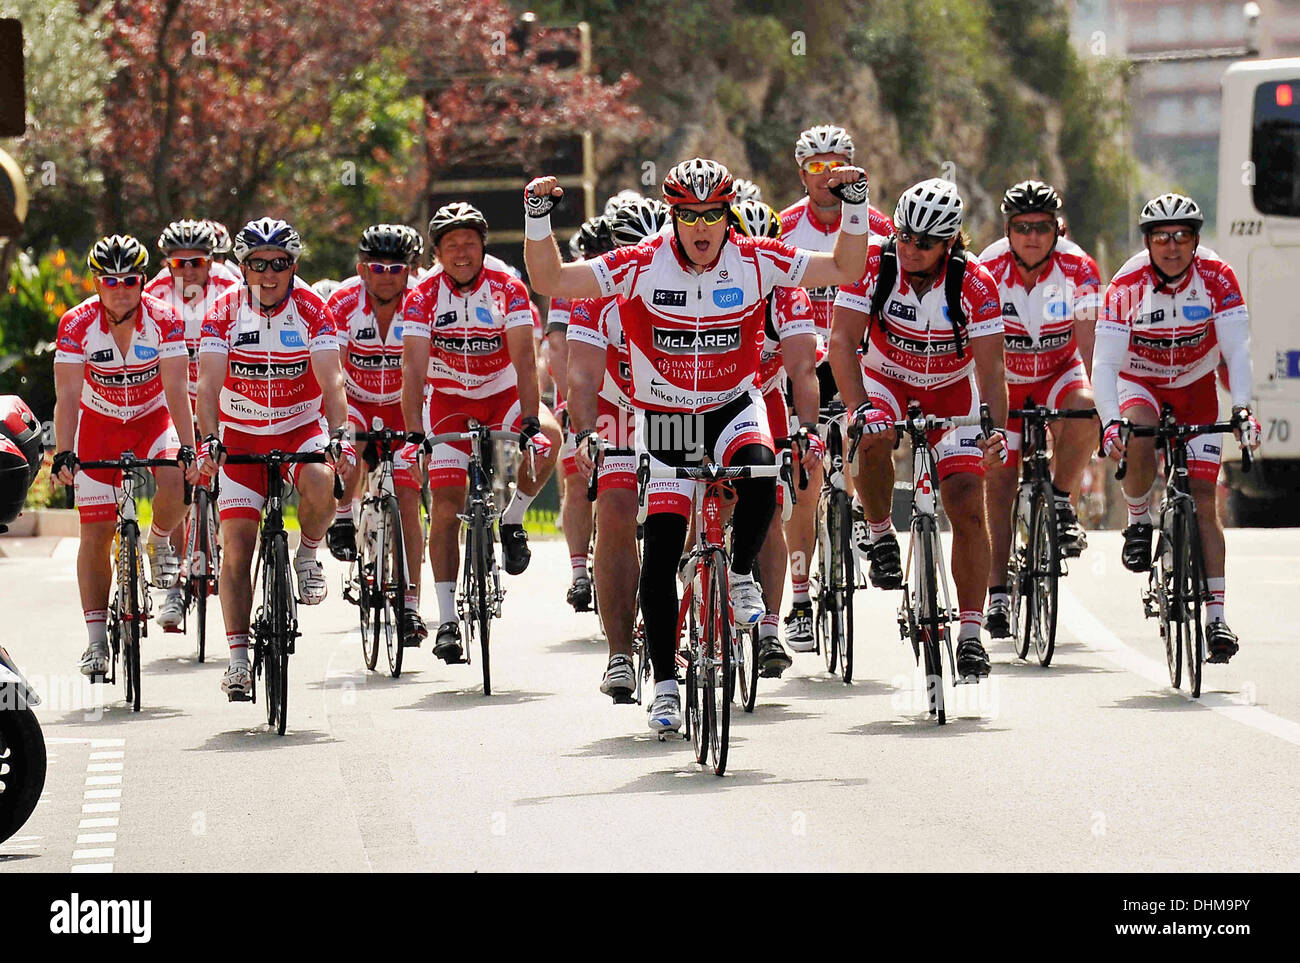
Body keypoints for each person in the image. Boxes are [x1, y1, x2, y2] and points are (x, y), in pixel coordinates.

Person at [525, 156, 869, 733]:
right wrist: (538, 219)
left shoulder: (758, 258)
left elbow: (844, 265)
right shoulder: (639, 263)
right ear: (673, 215)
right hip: (668, 416)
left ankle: (738, 577)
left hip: (733, 406)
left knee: (762, 475)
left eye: (713, 215)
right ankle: (663, 685)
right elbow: (554, 281)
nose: (703, 228)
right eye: (690, 216)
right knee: (659, 554)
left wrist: (855, 203)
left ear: (727, 215)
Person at [829, 178, 1007, 681]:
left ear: (950, 243)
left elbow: (992, 371)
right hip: (885, 379)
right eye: (905, 236)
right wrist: (860, 407)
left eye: (924, 243)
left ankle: (970, 636)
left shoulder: (975, 284)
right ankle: (882, 532)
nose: (909, 248)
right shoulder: (875, 266)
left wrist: (995, 429)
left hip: (951, 392)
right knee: (869, 435)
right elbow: (842, 343)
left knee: (969, 503)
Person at [1093, 192, 1261, 663]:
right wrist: (1110, 424)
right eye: (1161, 237)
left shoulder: (1218, 277)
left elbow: (1237, 351)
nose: (1171, 247)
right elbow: (1104, 364)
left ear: (1195, 240)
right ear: (1147, 242)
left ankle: (1217, 618)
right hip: (1139, 381)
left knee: (1205, 502)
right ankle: (1139, 520)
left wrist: (1244, 409)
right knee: (1139, 433)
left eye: (1181, 237)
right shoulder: (1127, 283)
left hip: (1194, 386)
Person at [195, 217, 356, 699]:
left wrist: (340, 436)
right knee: (238, 547)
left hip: (299, 427)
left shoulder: (313, 309)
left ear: (294, 265)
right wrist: (209, 440)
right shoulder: (222, 312)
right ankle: (239, 661)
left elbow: (332, 380)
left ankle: (308, 553)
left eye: (279, 264)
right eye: (258, 264)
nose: (269, 274)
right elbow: (207, 386)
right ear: (243, 267)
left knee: (321, 481)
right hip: (241, 436)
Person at [401, 202, 562, 663]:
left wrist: (530, 422)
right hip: (449, 400)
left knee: (551, 439)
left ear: (483, 245)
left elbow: (525, 361)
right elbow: (412, 370)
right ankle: (448, 619)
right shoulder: (422, 296)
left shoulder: (506, 286)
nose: (462, 252)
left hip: (502, 391)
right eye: (452, 245)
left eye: (470, 243)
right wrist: (415, 434)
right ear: (436, 253)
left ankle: (513, 518)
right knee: (447, 503)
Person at [51, 235, 196, 678]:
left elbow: (176, 390)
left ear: (143, 282)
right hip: (99, 426)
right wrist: (64, 453)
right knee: (94, 533)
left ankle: (156, 538)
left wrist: (188, 447)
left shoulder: (166, 320)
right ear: (96, 283)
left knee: (177, 483)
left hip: (152, 420)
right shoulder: (76, 324)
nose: (120, 289)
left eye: (129, 280)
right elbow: (68, 396)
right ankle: (96, 642)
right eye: (110, 281)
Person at [977, 180, 1101, 637]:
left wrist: (1101, 414)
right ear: (1008, 230)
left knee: (1087, 408)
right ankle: (996, 594)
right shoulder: (985, 268)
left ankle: (1062, 501)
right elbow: (978, 350)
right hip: (1006, 380)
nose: (1032, 236)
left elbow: (1089, 345)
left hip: (1057, 370)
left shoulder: (1080, 268)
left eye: (1043, 228)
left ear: (1057, 229)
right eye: (1023, 227)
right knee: (1001, 480)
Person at [778, 124, 895, 580]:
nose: (828, 176)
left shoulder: (882, 227)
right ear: (802, 175)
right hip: (802, 358)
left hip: (855, 355)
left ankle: (866, 509)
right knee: (803, 482)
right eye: (816, 167)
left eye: (837, 166)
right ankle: (802, 598)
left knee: (861, 433)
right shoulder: (783, 227)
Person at [566, 198, 668, 698]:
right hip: (618, 411)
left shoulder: (692, 290)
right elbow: (582, 376)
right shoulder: (595, 297)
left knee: (693, 496)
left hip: (676, 409)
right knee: (615, 506)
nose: (643, 255)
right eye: (631, 246)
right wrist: (586, 432)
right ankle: (620, 654)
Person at [730, 199, 823, 674]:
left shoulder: (787, 293)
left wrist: (805, 431)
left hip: (761, 397)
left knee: (767, 505)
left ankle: (769, 628)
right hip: (698, 396)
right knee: (689, 496)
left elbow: (804, 371)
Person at [324, 225, 427, 644]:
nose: (386, 276)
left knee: (408, 496)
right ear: (362, 268)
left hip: (404, 405)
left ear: (410, 269)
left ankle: (411, 607)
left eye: (396, 268)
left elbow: (427, 369)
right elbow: (335, 374)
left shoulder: (422, 301)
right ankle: (344, 516)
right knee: (352, 440)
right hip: (357, 400)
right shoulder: (343, 302)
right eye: (377, 267)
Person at [146, 219, 239, 631]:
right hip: (175, 395)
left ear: (212, 260)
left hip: (221, 393)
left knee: (230, 478)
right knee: (182, 481)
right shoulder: (151, 293)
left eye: (196, 262)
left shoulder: (233, 286)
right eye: (177, 263)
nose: (187, 271)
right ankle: (173, 588)